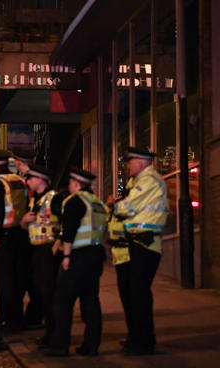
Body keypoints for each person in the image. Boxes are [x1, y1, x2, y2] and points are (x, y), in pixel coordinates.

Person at [110, 147, 168, 356]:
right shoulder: (136, 182)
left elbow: (128, 207)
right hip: (134, 244)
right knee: (130, 293)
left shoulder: (150, 180)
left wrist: (116, 205)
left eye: (131, 161)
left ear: (142, 162)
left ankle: (144, 341)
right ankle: (136, 337)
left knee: (139, 294)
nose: (127, 165)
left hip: (146, 244)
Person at [45, 167, 106, 357]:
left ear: (77, 184)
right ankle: (91, 346)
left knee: (63, 302)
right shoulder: (96, 202)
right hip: (95, 254)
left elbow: (70, 230)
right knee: (91, 302)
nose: (69, 187)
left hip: (78, 256)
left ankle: (59, 346)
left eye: (71, 183)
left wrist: (66, 257)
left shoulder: (75, 201)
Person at [0, 149, 28, 334]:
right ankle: (17, 319)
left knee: (4, 281)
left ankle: (5, 319)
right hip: (21, 233)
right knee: (17, 279)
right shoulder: (18, 180)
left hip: (5, 235)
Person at [20, 164, 63, 347]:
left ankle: (54, 336)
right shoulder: (36, 200)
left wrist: (58, 244)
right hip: (37, 250)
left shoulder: (54, 198)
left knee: (49, 294)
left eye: (29, 179)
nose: (27, 182)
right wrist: (24, 221)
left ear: (39, 179)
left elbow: (66, 223)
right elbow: (27, 225)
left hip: (48, 250)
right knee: (41, 293)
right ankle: (49, 335)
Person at [11, 148, 41, 329]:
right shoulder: (32, 179)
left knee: (24, 279)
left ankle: (27, 318)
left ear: (19, 162)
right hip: (32, 236)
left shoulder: (28, 182)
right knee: (31, 280)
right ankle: (32, 316)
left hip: (28, 235)